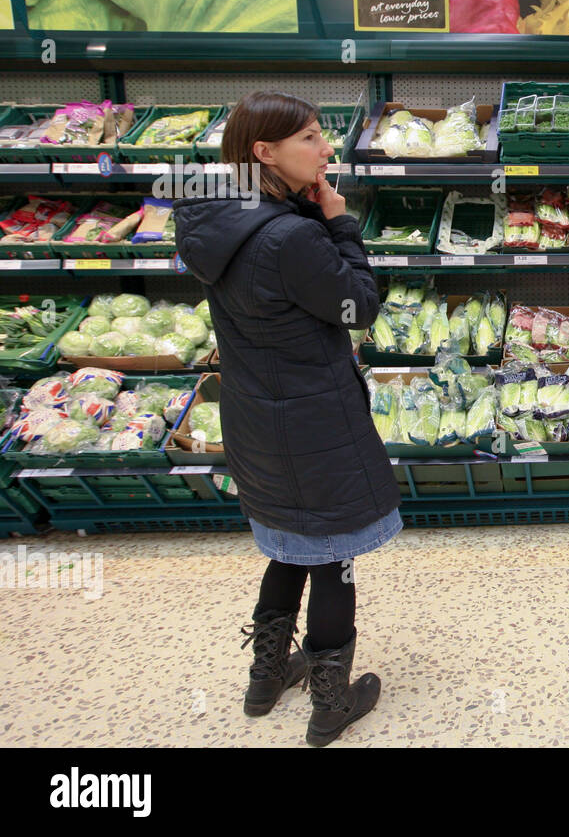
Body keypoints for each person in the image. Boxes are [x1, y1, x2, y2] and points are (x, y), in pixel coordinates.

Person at [173, 91, 401, 745]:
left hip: (255, 417)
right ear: (263, 152)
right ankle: (332, 701)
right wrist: (339, 224)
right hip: (313, 422)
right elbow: (358, 309)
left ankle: (265, 676)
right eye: (310, 138)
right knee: (335, 557)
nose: (326, 149)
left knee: (287, 544)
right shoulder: (295, 235)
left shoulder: (213, 220)